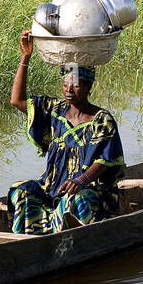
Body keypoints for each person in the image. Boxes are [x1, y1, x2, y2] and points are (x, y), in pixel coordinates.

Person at [8, 30, 125, 234]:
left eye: (76, 85)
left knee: (75, 200)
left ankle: (82, 238)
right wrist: (25, 57)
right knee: (21, 192)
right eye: (65, 84)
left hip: (92, 191)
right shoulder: (55, 110)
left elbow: (105, 160)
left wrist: (81, 180)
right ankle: (32, 238)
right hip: (53, 188)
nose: (69, 90)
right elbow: (17, 101)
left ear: (88, 87)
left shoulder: (101, 119)